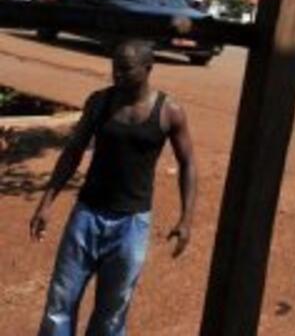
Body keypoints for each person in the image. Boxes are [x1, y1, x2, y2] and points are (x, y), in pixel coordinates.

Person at [29, 40, 197, 336]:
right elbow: (73, 151)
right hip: (86, 216)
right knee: (60, 302)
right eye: (115, 67)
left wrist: (186, 219)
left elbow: (188, 164)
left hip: (131, 225)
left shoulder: (170, 112)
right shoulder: (99, 102)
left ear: (148, 69)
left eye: (125, 69)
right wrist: (46, 202)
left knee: (112, 312)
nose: (117, 74)